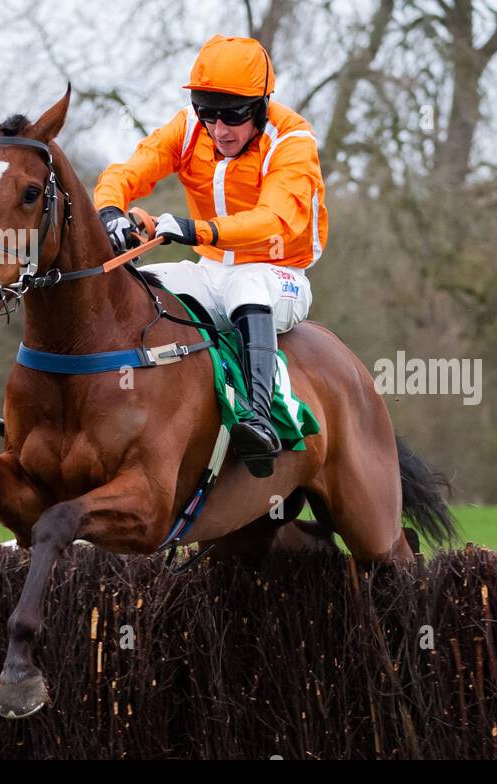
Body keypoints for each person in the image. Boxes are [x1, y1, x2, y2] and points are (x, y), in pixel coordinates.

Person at [94, 34, 328, 478]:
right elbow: (126, 172)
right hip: (209, 270)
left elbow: (272, 220)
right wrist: (109, 212)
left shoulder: (293, 141)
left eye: (232, 116)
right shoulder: (188, 128)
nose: (218, 130)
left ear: (261, 104)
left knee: (246, 282)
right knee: (134, 284)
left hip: (280, 274)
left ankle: (259, 420)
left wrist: (193, 228)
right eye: (208, 114)